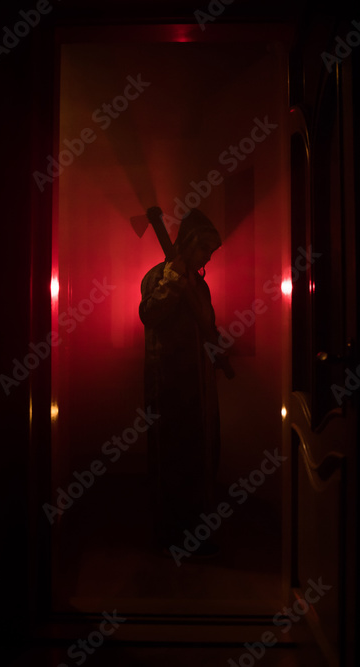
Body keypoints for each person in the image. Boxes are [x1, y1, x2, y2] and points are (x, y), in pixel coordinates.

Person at [139, 207, 227, 558]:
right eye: (204, 249)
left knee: (202, 458)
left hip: (200, 387)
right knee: (171, 459)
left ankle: (198, 532)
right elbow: (150, 314)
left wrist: (216, 348)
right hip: (169, 385)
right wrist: (173, 281)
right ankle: (170, 536)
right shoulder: (161, 276)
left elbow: (206, 326)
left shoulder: (199, 285)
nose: (207, 257)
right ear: (189, 244)